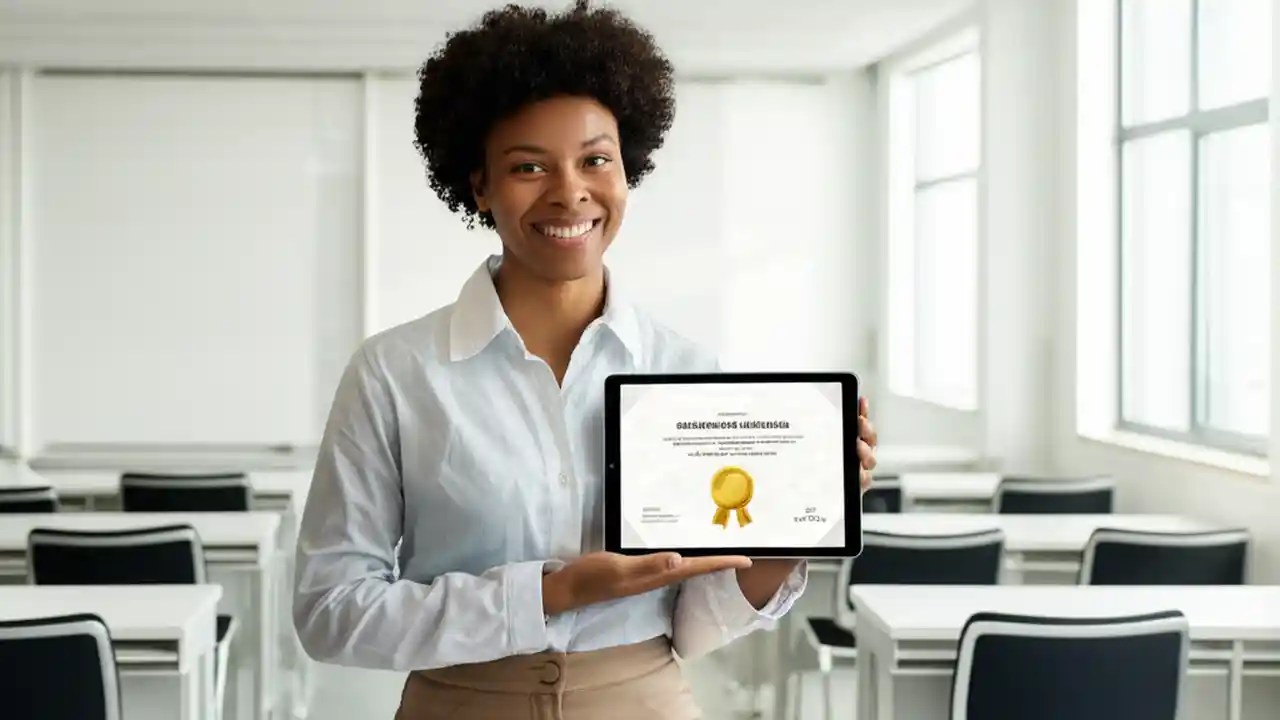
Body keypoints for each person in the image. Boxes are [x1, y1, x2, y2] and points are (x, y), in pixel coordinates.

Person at [292, 2, 878, 718]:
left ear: (627, 169)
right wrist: (551, 593)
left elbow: (694, 622)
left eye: (596, 159)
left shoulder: (687, 368)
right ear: (479, 185)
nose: (569, 191)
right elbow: (330, 612)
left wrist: (794, 532)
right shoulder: (394, 373)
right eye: (528, 166)